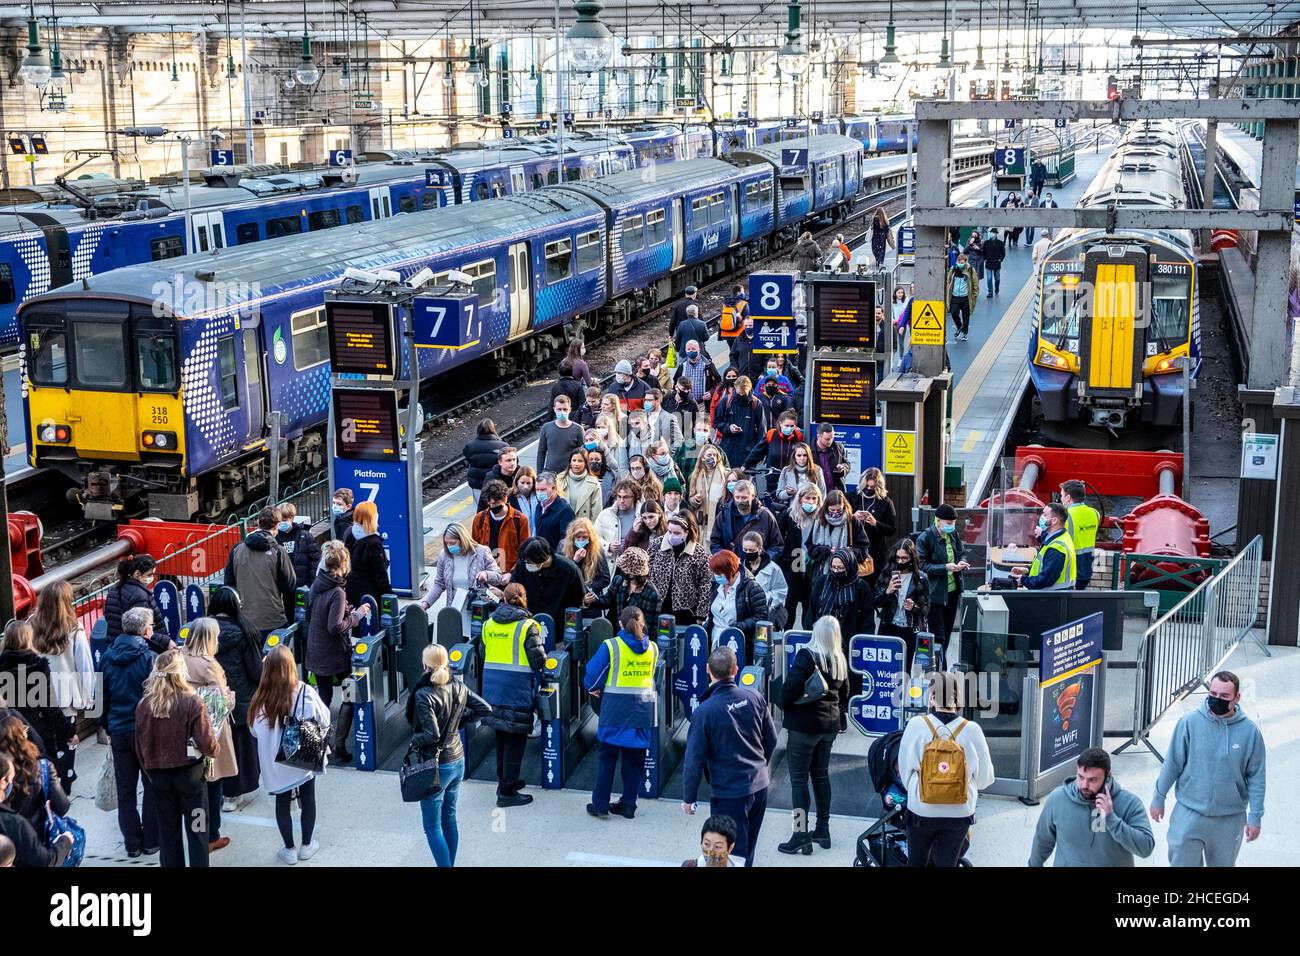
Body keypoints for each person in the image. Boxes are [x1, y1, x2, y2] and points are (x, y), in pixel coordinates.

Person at [1150, 671, 1266, 867]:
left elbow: (1256, 777)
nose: (1216, 700)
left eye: (1224, 696)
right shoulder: (1189, 723)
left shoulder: (1250, 733)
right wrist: (1158, 796)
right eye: (1213, 694)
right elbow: (1173, 763)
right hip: (1189, 814)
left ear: (1237, 697)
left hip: (1229, 820)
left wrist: (1255, 816)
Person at [681, 645, 778, 868]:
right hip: (759, 785)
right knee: (745, 851)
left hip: (730, 792)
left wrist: (689, 798)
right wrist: (757, 766)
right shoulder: (754, 696)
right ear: (736, 670)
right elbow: (771, 739)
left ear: (707, 669)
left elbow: (694, 759)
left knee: (724, 856)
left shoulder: (704, 712)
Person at [897, 671, 994, 867]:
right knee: (947, 863)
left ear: (932, 697)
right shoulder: (972, 730)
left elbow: (905, 771)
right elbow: (985, 779)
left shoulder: (916, 725)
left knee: (915, 862)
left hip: (921, 811)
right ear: (959, 699)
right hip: (959, 813)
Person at [406, 643, 491, 866]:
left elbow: (431, 734)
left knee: (432, 827)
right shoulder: (458, 685)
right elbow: (485, 709)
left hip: (436, 765)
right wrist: (457, 724)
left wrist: (415, 740)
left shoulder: (424, 694)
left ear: (426, 664)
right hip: (457, 760)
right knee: (449, 819)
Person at [135, 650, 218, 868]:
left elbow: (140, 745)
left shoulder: (144, 705)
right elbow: (206, 743)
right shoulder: (192, 702)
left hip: (160, 779)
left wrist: (150, 772)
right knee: (198, 831)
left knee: (168, 833)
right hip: (191, 779)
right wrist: (215, 750)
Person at [248, 645, 329, 864]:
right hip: (303, 757)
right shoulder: (304, 691)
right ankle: (307, 845)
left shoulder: (260, 698)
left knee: (282, 802)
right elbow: (325, 717)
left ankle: (289, 849)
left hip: (275, 764)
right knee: (308, 798)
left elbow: (254, 730)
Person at [779, 615, 849, 854]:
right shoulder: (840, 658)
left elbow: (790, 689)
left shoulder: (807, 656)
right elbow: (847, 693)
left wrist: (780, 697)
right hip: (829, 727)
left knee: (799, 782)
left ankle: (800, 833)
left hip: (803, 727)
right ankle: (823, 829)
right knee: (821, 777)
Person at [584, 606, 657, 819]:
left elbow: (593, 673)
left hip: (615, 709)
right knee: (634, 760)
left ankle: (600, 804)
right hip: (641, 711)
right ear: (642, 623)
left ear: (620, 624)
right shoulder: (652, 648)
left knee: (607, 758)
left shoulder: (611, 646)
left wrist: (592, 687)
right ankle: (628, 804)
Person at [1029, 747, 1155, 867]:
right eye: (1080, 777)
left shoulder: (1130, 804)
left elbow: (1146, 848)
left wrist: (1111, 818)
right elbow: (1042, 840)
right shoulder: (1057, 799)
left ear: (1107, 777)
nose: (1084, 785)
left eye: (1093, 780)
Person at [480, 583, 547, 807]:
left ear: (504, 599)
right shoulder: (529, 625)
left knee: (501, 736)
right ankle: (507, 792)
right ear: (524, 598)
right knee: (516, 739)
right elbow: (538, 660)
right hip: (517, 689)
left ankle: (506, 780)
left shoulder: (489, 624)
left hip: (493, 688)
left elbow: (483, 650)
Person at [306, 541, 370, 764]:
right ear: (343, 564)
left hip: (315, 650)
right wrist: (357, 615)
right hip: (334, 653)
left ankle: (319, 744)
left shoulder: (318, 583)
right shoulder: (337, 592)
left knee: (324, 696)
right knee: (350, 695)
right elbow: (334, 627)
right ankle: (339, 744)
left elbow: (311, 614)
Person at [179, 617, 238, 854]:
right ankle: (211, 836)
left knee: (195, 790)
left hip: (184, 728)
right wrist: (230, 699)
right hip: (210, 731)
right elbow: (221, 703)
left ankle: (197, 834)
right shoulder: (209, 665)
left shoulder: (178, 657)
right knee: (213, 787)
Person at [30, 581, 93, 792]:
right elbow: (85, 667)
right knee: (67, 743)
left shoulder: (31, 626)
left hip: (37, 696)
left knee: (46, 745)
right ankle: (63, 787)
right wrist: (89, 699)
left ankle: (48, 784)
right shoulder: (75, 631)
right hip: (66, 697)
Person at [208, 587, 262, 810]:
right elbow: (256, 671)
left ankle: (216, 789)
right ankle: (234, 793)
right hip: (240, 700)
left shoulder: (203, 631)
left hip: (211, 699)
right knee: (240, 747)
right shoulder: (245, 631)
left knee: (213, 745)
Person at [0, 622, 67, 783]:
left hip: (9, 732)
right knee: (44, 779)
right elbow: (50, 704)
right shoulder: (38, 665)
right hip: (39, 730)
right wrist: (68, 730)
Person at [808, 549, 875, 690]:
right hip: (821, 643)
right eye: (833, 567)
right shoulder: (822, 582)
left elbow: (868, 620)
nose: (836, 571)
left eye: (840, 568)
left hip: (849, 645)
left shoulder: (861, 587)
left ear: (849, 566)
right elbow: (812, 609)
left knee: (848, 684)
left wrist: (860, 644)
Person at [224, 507, 297, 635]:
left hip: (244, 622)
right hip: (273, 621)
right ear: (277, 526)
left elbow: (229, 585)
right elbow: (289, 585)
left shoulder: (237, 550)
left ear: (258, 522)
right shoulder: (278, 552)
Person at [0, 712, 69, 845]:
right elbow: (62, 806)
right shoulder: (42, 766)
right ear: (23, 736)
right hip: (38, 838)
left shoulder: (3, 773)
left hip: (7, 841)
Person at [420, 523, 504, 630]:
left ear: (462, 539)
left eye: (453, 543)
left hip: (477, 610)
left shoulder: (481, 552)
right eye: (447, 543)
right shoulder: (444, 555)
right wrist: (426, 603)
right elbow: (439, 584)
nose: (450, 546)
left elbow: (498, 576)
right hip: (455, 610)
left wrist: (486, 574)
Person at [0, 752, 73, 866]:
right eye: (10, 780)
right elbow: (43, 862)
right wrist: (65, 842)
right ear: (2, 782)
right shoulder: (13, 823)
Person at [916, 504, 970, 645]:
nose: (952, 526)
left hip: (952, 592)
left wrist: (962, 562)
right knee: (938, 635)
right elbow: (921, 566)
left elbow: (961, 553)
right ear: (938, 520)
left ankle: (941, 663)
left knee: (947, 632)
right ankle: (939, 666)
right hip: (934, 593)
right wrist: (945, 567)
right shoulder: (925, 537)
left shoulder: (953, 534)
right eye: (948, 523)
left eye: (953, 523)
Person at [649, 512, 713, 627]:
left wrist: (701, 614)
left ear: (687, 532)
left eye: (677, 533)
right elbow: (647, 573)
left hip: (686, 612)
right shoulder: (656, 545)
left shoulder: (699, 554)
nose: (672, 535)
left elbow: (705, 585)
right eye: (669, 532)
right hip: (658, 608)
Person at [509, 536, 586, 630]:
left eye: (529, 562)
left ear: (541, 558)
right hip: (528, 623)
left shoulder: (568, 569)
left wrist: (569, 628)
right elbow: (513, 587)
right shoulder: (522, 566)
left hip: (559, 626)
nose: (526, 564)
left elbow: (578, 600)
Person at [874, 538, 931, 665]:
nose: (900, 561)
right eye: (898, 558)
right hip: (889, 626)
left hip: (909, 629)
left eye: (904, 558)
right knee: (886, 667)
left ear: (912, 557)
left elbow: (926, 609)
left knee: (905, 667)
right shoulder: (887, 574)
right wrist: (887, 591)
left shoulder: (921, 578)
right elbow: (875, 602)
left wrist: (914, 607)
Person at [707, 550, 769, 661]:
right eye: (714, 573)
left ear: (730, 570)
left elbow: (761, 616)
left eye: (719, 573)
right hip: (715, 644)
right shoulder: (717, 585)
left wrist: (738, 627)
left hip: (739, 643)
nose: (716, 576)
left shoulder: (752, 588)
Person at [778, 483, 824, 629]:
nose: (810, 502)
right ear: (800, 498)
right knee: (790, 603)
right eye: (807, 498)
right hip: (793, 562)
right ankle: (787, 634)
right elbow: (777, 538)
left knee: (809, 602)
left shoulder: (822, 517)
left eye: (814, 498)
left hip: (812, 563)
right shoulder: (789, 514)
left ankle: (807, 634)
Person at [802, 490, 872, 584]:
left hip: (847, 575)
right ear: (826, 508)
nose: (835, 513)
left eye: (839, 510)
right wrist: (826, 550)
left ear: (844, 507)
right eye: (832, 510)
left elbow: (863, 550)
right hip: (821, 574)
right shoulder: (819, 521)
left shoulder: (852, 521)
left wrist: (846, 554)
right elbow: (810, 548)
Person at [710, 479, 783, 562]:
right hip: (732, 568)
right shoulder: (724, 515)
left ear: (753, 496)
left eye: (744, 497)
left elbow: (777, 546)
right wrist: (726, 560)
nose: (740, 501)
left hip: (758, 569)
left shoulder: (765, 516)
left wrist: (763, 562)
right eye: (737, 497)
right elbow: (715, 543)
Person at [103, 554, 169, 644]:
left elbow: (108, 616)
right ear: (137, 574)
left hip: (115, 644)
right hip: (135, 648)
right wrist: (165, 641)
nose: (152, 578)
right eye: (150, 575)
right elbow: (142, 629)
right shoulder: (140, 596)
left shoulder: (114, 590)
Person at [1011, 502, 1077, 591]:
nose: (1041, 517)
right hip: (1054, 597)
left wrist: (1023, 580)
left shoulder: (1056, 548)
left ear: (1054, 521)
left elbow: (1045, 579)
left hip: (1053, 599)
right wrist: (1027, 570)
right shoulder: (1060, 537)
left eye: (1045, 515)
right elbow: (1044, 566)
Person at [472, 479, 531, 572]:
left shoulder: (520, 520)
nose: (492, 506)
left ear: (505, 498)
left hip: (509, 573)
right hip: (486, 573)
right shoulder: (479, 519)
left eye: (495, 503)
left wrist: (512, 573)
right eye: (489, 503)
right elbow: (474, 548)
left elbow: (525, 552)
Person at [851, 466, 897, 584]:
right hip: (853, 547)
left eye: (872, 487)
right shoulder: (852, 497)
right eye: (867, 486)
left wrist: (875, 523)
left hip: (875, 550)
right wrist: (853, 516)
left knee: (872, 583)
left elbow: (891, 529)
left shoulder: (886, 502)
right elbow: (839, 519)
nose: (869, 489)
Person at [560, 517, 611, 618]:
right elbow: (562, 578)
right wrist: (575, 562)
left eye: (584, 537)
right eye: (578, 537)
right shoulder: (563, 548)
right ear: (572, 538)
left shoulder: (597, 550)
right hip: (571, 600)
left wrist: (589, 591)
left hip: (591, 602)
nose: (581, 540)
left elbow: (605, 578)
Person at [344, 501, 391, 607]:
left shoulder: (349, 533)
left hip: (351, 591)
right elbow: (380, 574)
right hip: (371, 596)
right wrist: (388, 595)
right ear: (372, 518)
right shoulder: (373, 543)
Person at [744, 410, 802, 495]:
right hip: (773, 479)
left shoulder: (798, 436)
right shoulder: (771, 434)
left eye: (792, 426)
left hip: (792, 479)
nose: (789, 428)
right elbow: (757, 452)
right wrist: (746, 464)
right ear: (780, 423)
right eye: (786, 425)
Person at [739, 532, 788, 630]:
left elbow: (781, 591)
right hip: (743, 616)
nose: (748, 553)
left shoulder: (773, 569)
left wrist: (764, 600)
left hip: (764, 616)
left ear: (760, 549)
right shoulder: (739, 567)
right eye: (745, 550)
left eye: (751, 550)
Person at [714, 375, 764, 469]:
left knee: (747, 482)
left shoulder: (756, 404)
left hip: (748, 452)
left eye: (743, 393)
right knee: (729, 481)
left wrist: (758, 453)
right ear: (735, 387)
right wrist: (729, 427)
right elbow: (717, 422)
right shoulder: (726, 401)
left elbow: (762, 430)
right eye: (739, 393)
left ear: (749, 389)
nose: (741, 395)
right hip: (728, 449)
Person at [274, 503, 322, 599]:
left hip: (303, 587)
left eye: (285, 519)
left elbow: (315, 562)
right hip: (283, 589)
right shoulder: (274, 538)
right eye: (280, 520)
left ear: (292, 518)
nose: (282, 523)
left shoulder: (305, 536)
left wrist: (311, 585)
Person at [1060, 480, 1100, 590]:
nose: (1061, 499)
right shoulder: (1095, 513)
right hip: (1087, 567)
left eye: (1062, 495)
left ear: (1068, 498)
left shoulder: (1065, 516)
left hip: (1071, 569)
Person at [688, 442, 729, 541]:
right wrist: (695, 499)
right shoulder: (695, 476)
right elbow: (690, 499)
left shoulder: (725, 474)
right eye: (709, 455)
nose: (712, 457)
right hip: (701, 521)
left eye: (714, 455)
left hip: (718, 519)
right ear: (702, 458)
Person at [463, 418, 508, 504]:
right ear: (493, 429)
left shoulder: (469, 446)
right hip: (497, 484)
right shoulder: (502, 446)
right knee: (498, 508)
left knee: (481, 510)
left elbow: (468, 458)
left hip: (477, 483)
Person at [536, 394, 584, 475]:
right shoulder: (546, 428)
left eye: (565, 409)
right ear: (554, 409)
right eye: (559, 409)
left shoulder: (578, 429)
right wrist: (539, 473)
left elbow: (582, 453)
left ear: (570, 410)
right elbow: (541, 452)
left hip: (570, 473)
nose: (562, 412)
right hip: (550, 473)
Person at [530, 472, 576, 551]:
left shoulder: (565, 511)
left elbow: (566, 541)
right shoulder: (539, 507)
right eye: (537, 490)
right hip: (540, 555)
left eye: (543, 490)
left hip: (555, 557)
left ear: (553, 488)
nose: (539, 493)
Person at [596, 479, 641, 556]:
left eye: (626, 497)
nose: (621, 501)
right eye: (619, 496)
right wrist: (608, 546)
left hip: (633, 561)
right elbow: (594, 537)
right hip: (611, 562)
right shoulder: (605, 514)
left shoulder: (641, 515)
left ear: (634, 497)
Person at [773, 441, 825, 507]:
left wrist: (820, 510)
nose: (802, 458)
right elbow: (779, 495)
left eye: (805, 455)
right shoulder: (787, 471)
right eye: (799, 455)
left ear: (809, 456)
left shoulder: (817, 470)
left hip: (813, 509)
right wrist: (788, 493)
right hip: (794, 510)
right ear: (794, 456)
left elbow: (822, 493)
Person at [557, 449, 604, 523]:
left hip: (583, 528)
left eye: (580, 461)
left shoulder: (594, 483)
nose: (576, 464)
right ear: (570, 462)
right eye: (574, 460)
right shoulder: (559, 479)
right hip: (562, 526)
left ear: (586, 463)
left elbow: (596, 512)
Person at [673, 338, 721, 406]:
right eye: (688, 349)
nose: (691, 351)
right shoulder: (682, 366)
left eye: (693, 349)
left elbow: (718, 382)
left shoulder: (708, 365)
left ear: (699, 350)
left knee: (702, 417)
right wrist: (678, 394)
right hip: (687, 404)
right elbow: (675, 382)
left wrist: (711, 392)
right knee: (689, 417)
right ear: (685, 351)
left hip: (703, 404)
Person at [947, 251, 978, 342]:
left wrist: (974, 296)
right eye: (959, 262)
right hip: (955, 296)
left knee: (966, 316)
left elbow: (975, 284)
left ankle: (964, 333)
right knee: (953, 312)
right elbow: (948, 281)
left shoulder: (970, 270)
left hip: (965, 297)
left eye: (962, 262)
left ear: (965, 262)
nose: (960, 264)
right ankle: (959, 326)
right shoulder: (953, 269)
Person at [810, 424, 850, 495]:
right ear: (818, 436)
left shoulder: (838, 447)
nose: (830, 441)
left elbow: (847, 464)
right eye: (827, 439)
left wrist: (842, 468)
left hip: (836, 491)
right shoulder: (809, 450)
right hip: (816, 492)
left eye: (832, 438)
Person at [982, 227, 1006, 297]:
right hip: (988, 262)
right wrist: (985, 259)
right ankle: (990, 292)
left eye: (994, 233)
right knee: (989, 278)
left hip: (997, 263)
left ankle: (997, 288)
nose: (992, 234)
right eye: (992, 233)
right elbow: (983, 252)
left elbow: (1003, 253)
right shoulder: (986, 243)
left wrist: (1000, 259)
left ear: (996, 234)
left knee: (997, 278)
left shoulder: (1000, 243)